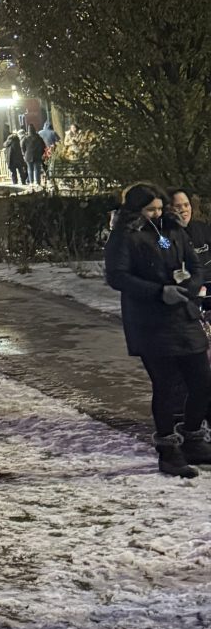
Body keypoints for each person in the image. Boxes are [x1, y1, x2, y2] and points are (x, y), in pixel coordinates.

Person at [103, 182, 211, 477]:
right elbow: (117, 276)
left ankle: (193, 438)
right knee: (165, 385)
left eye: (160, 208)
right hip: (150, 321)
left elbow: (195, 265)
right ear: (136, 210)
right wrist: (159, 292)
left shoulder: (172, 229)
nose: (157, 214)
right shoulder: (125, 236)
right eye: (150, 209)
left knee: (202, 381)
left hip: (183, 313)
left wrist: (189, 288)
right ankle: (168, 450)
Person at [169, 189, 211, 256]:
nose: (183, 209)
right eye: (178, 206)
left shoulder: (204, 229)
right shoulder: (164, 236)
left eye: (186, 205)